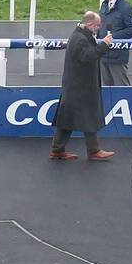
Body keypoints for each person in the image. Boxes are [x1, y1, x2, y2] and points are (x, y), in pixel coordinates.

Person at [49, 12, 114, 161]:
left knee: (67, 119)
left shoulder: (80, 35)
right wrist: (104, 45)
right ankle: (93, 151)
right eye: (97, 26)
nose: (99, 28)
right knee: (88, 117)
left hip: (75, 85)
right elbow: (87, 56)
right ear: (90, 24)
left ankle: (58, 150)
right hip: (80, 86)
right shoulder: (79, 39)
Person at [99, 0, 132, 86]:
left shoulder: (125, 8)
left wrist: (113, 37)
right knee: (105, 88)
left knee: (121, 88)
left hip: (117, 56)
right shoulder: (105, 5)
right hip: (103, 54)